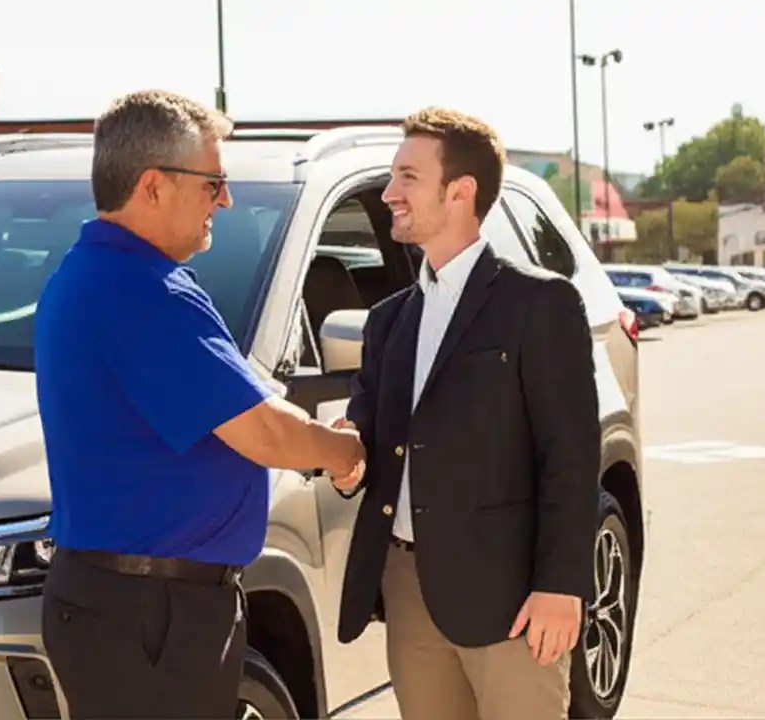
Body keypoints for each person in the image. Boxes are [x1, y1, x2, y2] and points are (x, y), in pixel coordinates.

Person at [33, 89, 365, 720]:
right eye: (213, 182)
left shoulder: (93, 276)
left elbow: (245, 401)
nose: (226, 200)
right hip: (151, 614)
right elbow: (263, 432)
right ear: (154, 186)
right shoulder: (143, 292)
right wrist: (345, 451)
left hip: (131, 607)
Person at [333, 107, 600, 720]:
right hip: (407, 589)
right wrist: (347, 459)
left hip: (511, 597)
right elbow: (375, 441)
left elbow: (570, 454)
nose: (389, 193)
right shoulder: (389, 320)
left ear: (461, 192)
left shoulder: (540, 303)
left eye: (407, 177)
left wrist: (561, 585)